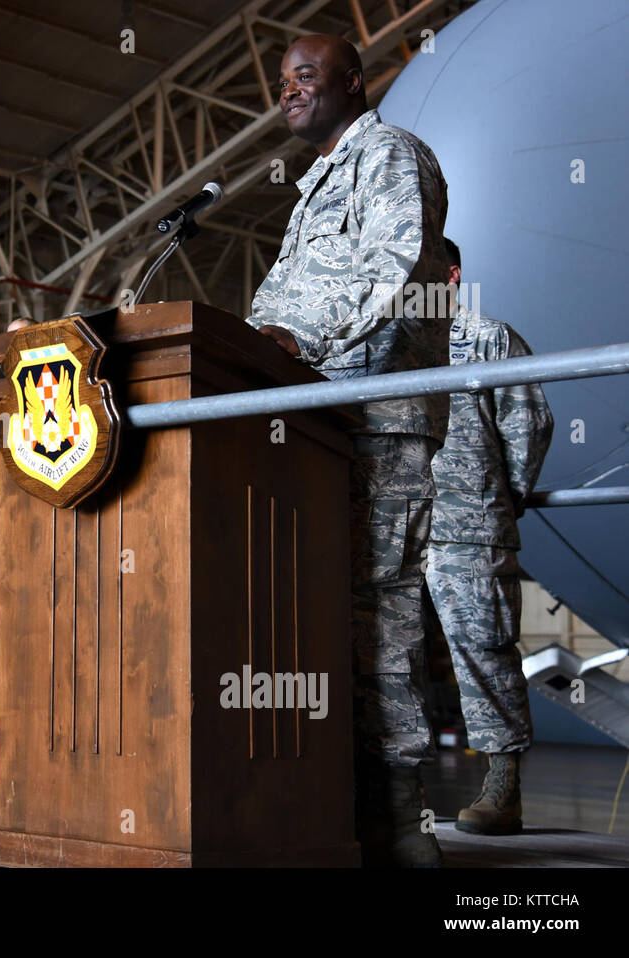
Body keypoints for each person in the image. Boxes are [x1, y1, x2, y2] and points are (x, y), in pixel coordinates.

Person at [246, 34, 451, 866]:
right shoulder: (309, 193)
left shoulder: (391, 154)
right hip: (316, 426)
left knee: (380, 618)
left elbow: (399, 263)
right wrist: (252, 349)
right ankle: (333, 809)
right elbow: (269, 314)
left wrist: (302, 337)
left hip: (376, 418)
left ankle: (401, 825)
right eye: (282, 83)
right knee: (315, 618)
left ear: (353, 82)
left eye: (306, 77)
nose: (289, 91)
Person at [427, 239, 553, 835]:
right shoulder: (383, 351)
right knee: (384, 661)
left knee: (484, 650)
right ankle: (390, 789)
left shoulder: (487, 338)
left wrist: (498, 497)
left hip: (467, 528)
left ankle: (503, 788)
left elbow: (527, 424)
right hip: (391, 530)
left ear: (451, 276)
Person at [0, 315, 35, 786]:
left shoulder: (59, 408)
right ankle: (2, 745)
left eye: (24, 339)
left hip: (38, 555)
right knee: (0, 654)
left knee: (41, 651)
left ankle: (40, 746)